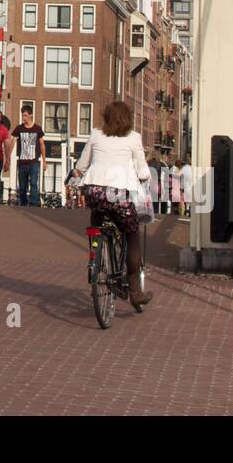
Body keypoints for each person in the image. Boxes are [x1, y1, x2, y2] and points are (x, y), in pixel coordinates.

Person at [75, 101, 153, 308]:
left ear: (106, 117)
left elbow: (82, 165)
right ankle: (136, 291)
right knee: (132, 234)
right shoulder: (134, 138)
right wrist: (144, 180)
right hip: (119, 195)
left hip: (94, 192)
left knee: (97, 220)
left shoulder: (96, 134)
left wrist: (77, 173)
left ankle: (95, 254)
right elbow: (143, 171)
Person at [10, 105, 45, 207]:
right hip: (22, 162)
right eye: (22, 115)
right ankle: (24, 203)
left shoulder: (37, 129)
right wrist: (8, 157)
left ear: (31, 115)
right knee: (22, 186)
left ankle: (33, 204)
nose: (23, 118)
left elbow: (42, 144)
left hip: (34, 162)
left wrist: (44, 160)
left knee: (34, 183)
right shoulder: (19, 128)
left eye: (25, 115)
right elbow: (12, 142)